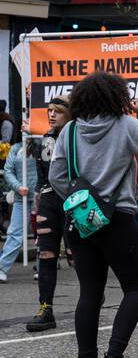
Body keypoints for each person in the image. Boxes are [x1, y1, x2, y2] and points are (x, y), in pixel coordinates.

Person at [49, 71, 138, 358]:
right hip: (118, 219)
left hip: (81, 222)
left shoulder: (69, 131)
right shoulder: (126, 126)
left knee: (90, 292)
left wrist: (81, 202)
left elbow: (56, 176)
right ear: (116, 98)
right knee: (136, 285)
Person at [25, 97, 71, 332]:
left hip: (74, 201)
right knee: (46, 255)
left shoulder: (77, 135)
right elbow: (43, 175)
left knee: (79, 256)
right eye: (49, 111)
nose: (52, 115)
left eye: (57, 111)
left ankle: (94, 295)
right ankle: (46, 309)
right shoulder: (46, 138)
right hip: (49, 201)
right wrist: (39, 202)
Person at [0, 123, 40, 282]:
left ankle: (43, 266)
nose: (24, 125)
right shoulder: (16, 148)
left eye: (28, 122)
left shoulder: (41, 145)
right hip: (20, 197)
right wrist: (17, 186)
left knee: (42, 234)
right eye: (23, 123)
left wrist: (33, 131)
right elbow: (8, 170)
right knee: (14, 233)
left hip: (40, 197)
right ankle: (2, 267)